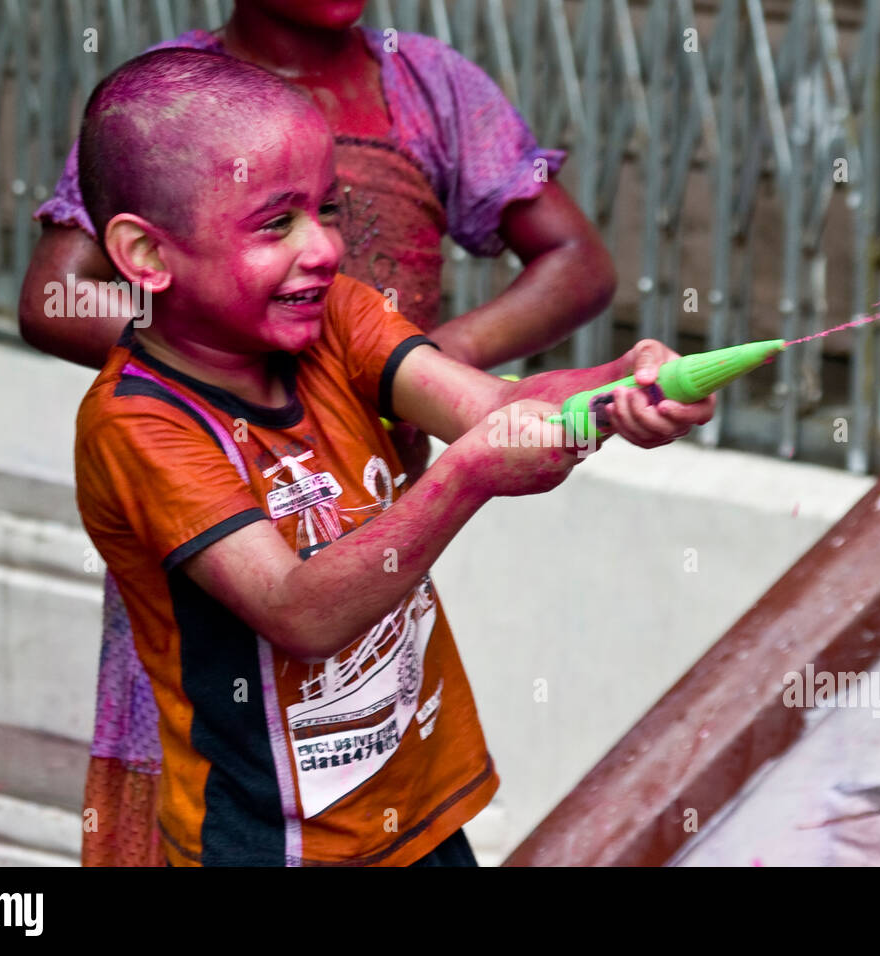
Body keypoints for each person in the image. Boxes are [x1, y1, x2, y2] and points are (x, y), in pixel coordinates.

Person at [72, 47, 711, 865]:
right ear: (148, 257)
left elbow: (496, 410)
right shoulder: (140, 425)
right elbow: (301, 613)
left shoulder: (335, 317)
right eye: (277, 223)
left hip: (422, 816)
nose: (324, 251)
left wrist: (621, 391)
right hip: (274, 847)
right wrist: (467, 476)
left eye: (327, 211)